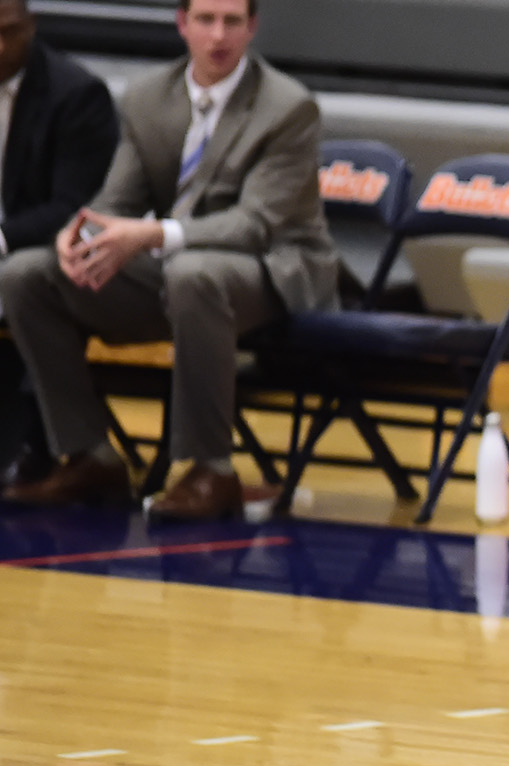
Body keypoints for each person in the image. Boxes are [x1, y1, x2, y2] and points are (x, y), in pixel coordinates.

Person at [0, 0, 337, 521]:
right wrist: (80, 237)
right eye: (205, 20)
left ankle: (210, 470)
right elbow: (116, 203)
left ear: (253, 27)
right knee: (28, 274)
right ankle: (89, 455)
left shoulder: (288, 106)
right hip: (177, 272)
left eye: (231, 22)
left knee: (193, 273)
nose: (218, 35)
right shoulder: (147, 97)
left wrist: (153, 233)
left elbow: (254, 226)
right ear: (182, 25)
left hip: (273, 268)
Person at [0, 0, 121, 488]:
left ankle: (29, 443)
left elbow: (76, 207)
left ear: (30, 26)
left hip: (39, 249)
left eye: (8, 31)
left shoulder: (76, 95)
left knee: (22, 279)